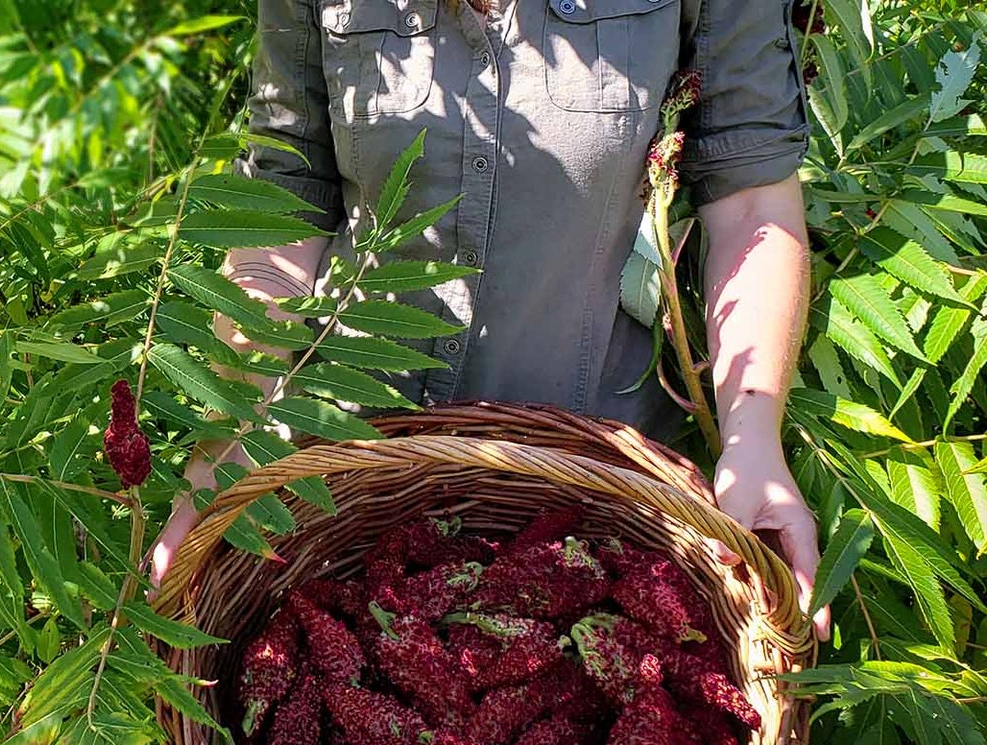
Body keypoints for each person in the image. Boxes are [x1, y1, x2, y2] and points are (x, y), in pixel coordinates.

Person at [150, 0, 832, 644]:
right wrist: (232, 437)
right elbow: (285, 204)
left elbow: (751, 203)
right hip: (348, 502)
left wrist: (753, 444)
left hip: (602, 504)